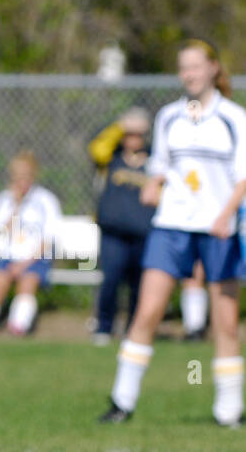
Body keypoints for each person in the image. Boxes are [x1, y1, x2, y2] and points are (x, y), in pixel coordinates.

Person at [101, 38, 246, 426]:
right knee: (147, 312)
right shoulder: (168, 117)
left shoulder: (234, 117)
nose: (189, 74)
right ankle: (122, 402)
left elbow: (242, 178)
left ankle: (229, 411)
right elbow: (160, 166)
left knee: (226, 322)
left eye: (196, 66)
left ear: (214, 68)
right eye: (183, 67)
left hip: (218, 231)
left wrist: (226, 214)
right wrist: (154, 184)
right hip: (172, 227)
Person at [0, 151, 62, 336]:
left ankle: (18, 326)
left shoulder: (46, 200)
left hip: (35, 259)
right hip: (9, 257)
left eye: (26, 176)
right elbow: (2, 232)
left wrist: (24, 264)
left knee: (28, 282)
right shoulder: (5, 199)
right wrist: (17, 205)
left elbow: (48, 239)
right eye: (17, 176)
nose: (21, 181)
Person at [87, 108, 155, 344]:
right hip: (113, 233)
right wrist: (120, 126)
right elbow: (97, 148)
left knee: (139, 285)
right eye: (129, 134)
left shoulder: (153, 161)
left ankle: (133, 329)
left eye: (138, 134)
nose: (133, 139)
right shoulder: (111, 158)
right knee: (111, 279)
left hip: (144, 234)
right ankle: (104, 327)